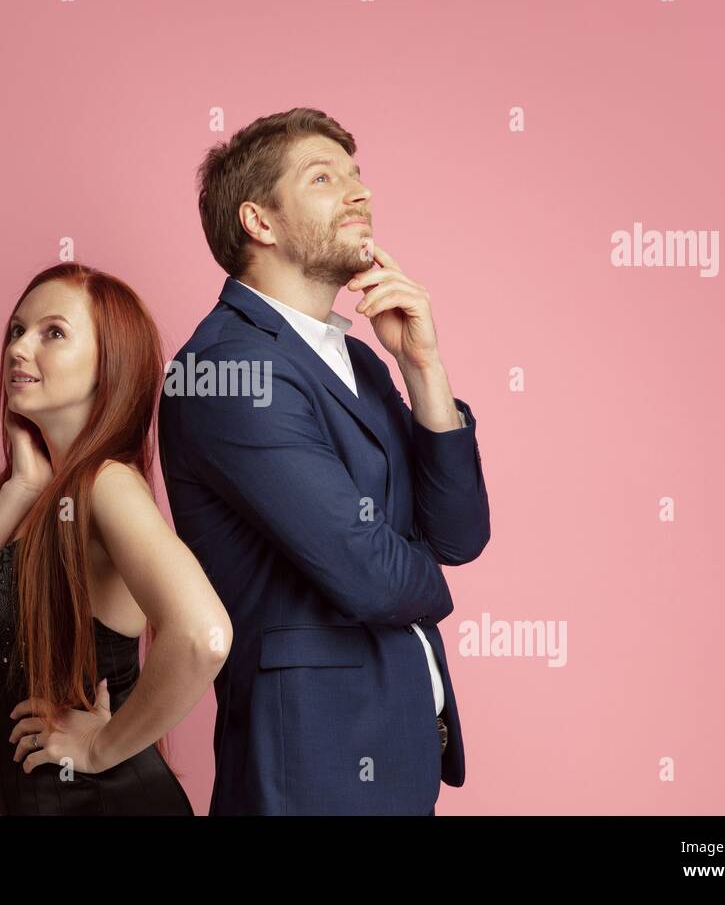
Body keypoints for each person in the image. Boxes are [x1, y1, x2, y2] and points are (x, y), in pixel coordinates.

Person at [158, 107, 491, 815]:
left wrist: (423, 368)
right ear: (260, 222)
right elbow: (369, 576)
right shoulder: (230, 367)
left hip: (394, 753)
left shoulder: (362, 361)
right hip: (312, 771)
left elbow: (460, 534)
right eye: (323, 177)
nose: (359, 192)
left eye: (357, 175)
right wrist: (421, 573)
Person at [0, 262, 230, 815]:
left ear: (108, 366)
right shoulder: (9, 503)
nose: (20, 348)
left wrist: (101, 745)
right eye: (17, 330)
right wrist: (22, 488)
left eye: (53, 333)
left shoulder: (107, 485)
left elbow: (205, 636)